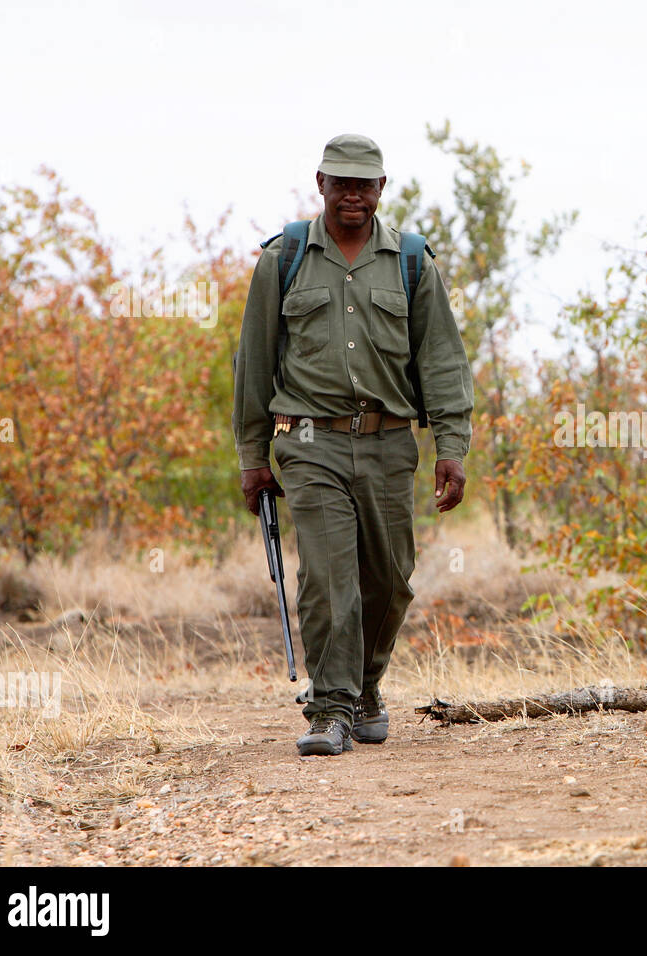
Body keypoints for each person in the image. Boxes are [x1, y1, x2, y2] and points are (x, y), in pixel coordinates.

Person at [232, 133, 474, 756]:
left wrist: (453, 445)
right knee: (329, 577)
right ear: (320, 184)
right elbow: (253, 366)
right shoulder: (281, 259)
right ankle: (330, 708)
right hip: (308, 443)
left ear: (381, 190)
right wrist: (252, 457)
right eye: (341, 184)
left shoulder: (412, 262)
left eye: (364, 185)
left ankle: (366, 688)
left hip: (391, 444)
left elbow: (442, 361)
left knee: (389, 580)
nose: (352, 196)